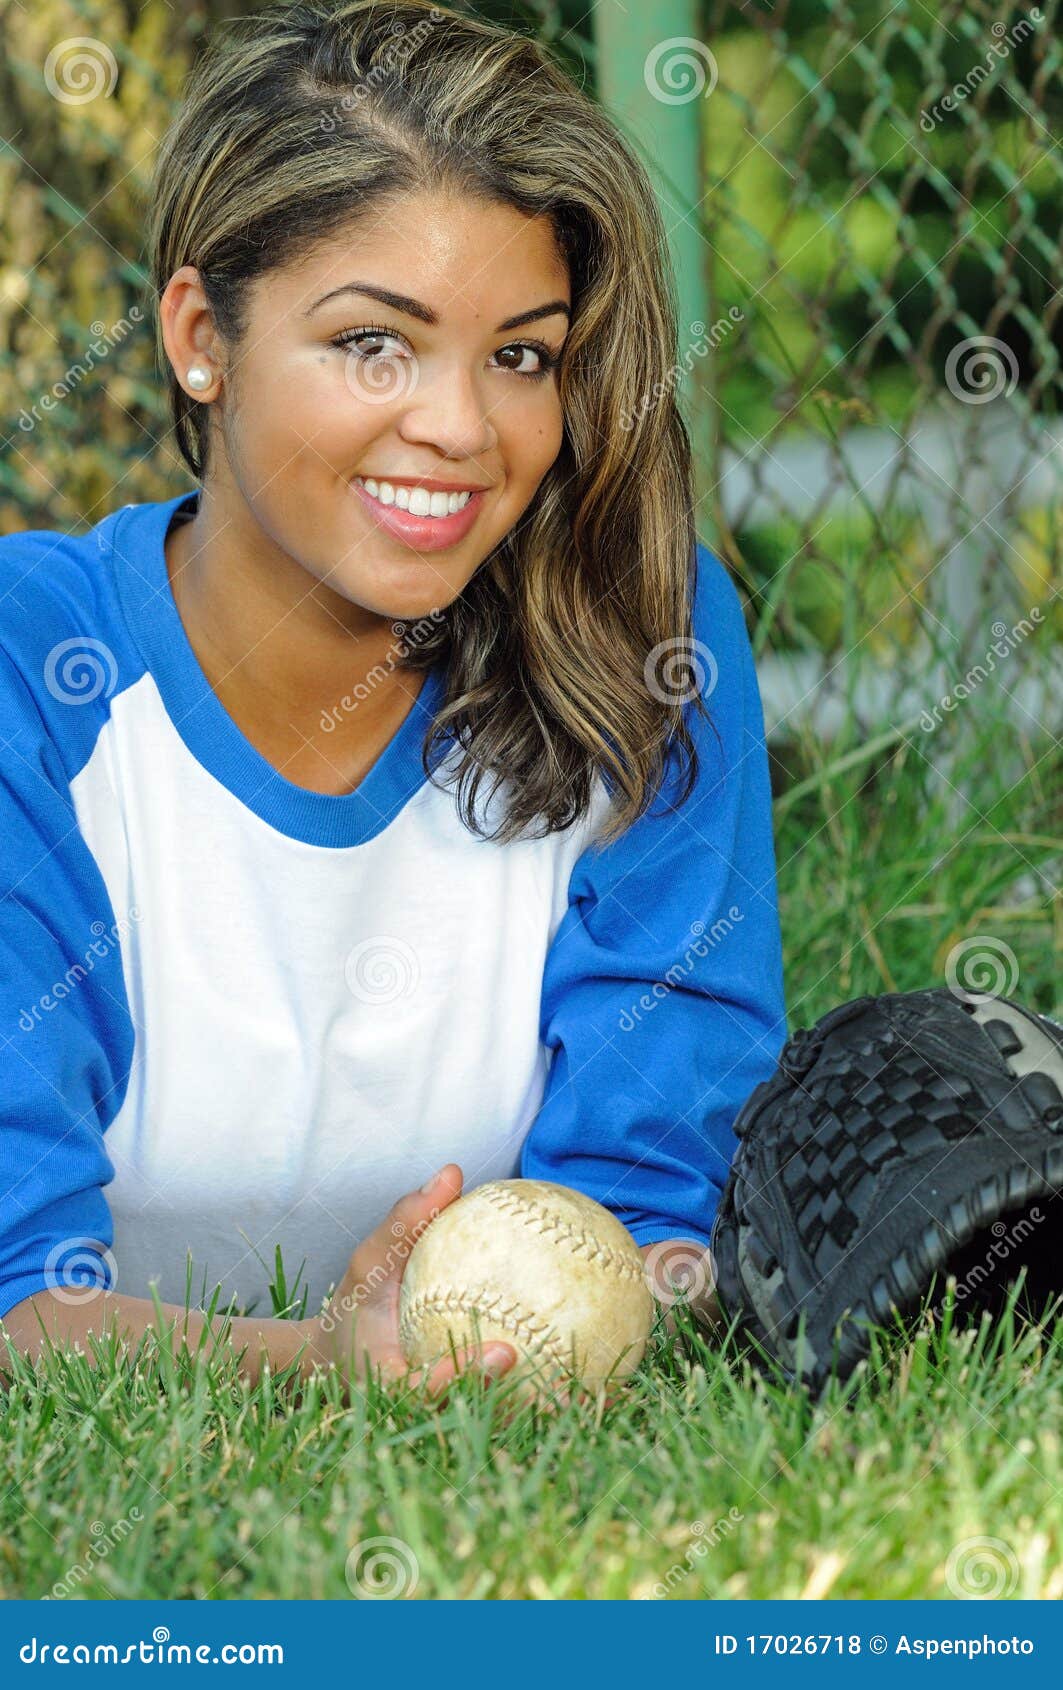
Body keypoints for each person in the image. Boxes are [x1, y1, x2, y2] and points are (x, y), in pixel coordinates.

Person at [0, 0, 787, 1398]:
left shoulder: (636, 629)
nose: (460, 428)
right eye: (374, 343)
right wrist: (324, 1359)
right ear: (201, 335)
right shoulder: (34, 665)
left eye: (522, 354)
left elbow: (647, 1215)